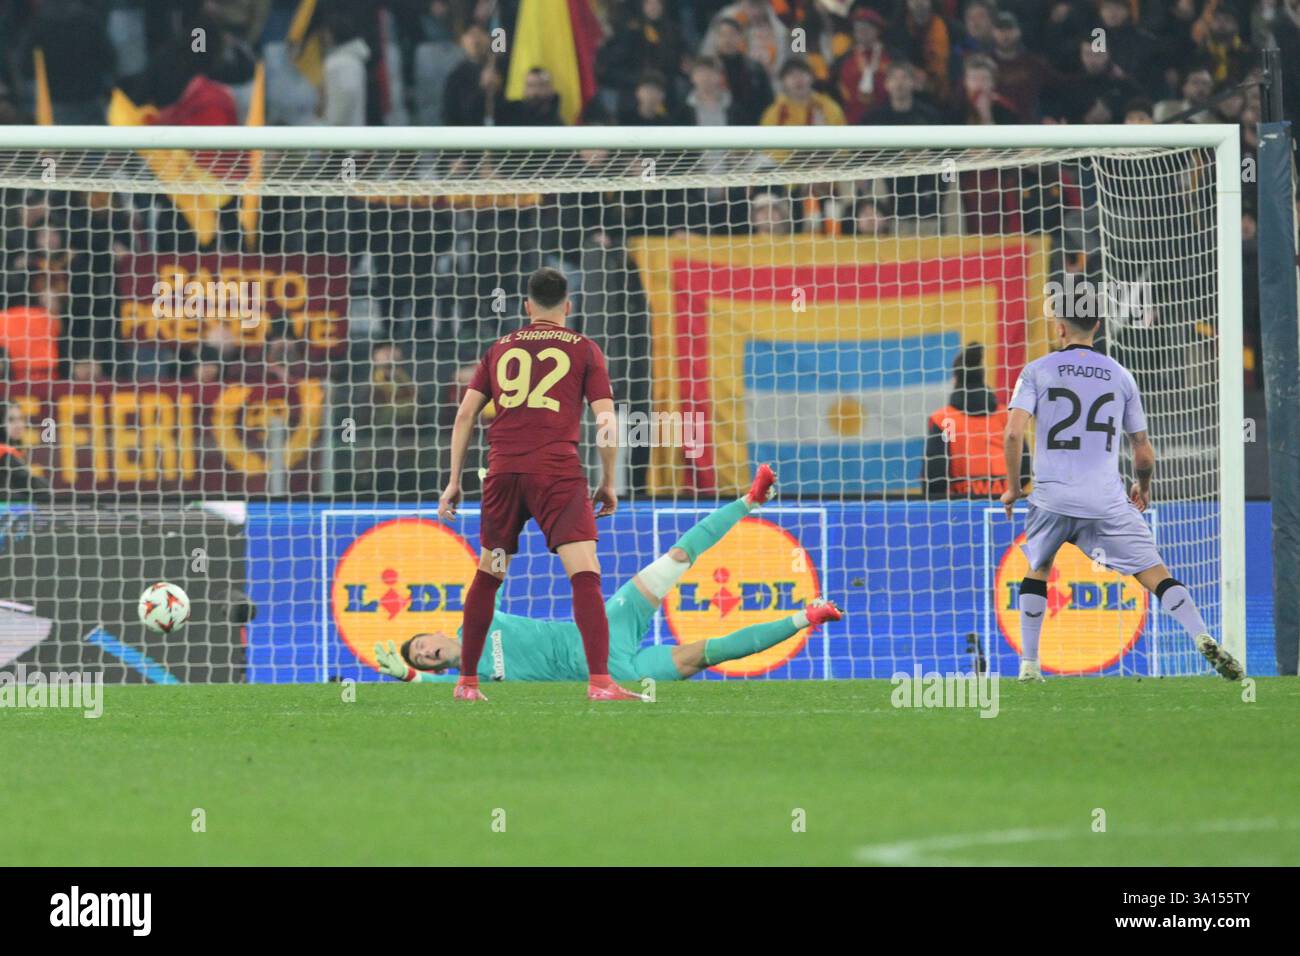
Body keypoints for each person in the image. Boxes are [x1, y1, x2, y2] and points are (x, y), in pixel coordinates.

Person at [380, 465, 842, 684]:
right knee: (706, 654)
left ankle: (750, 500)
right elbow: (425, 690)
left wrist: (504, 500)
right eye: (424, 658)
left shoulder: (478, 621)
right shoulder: (460, 681)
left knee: (677, 557)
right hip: (613, 672)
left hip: (607, 624)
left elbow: (495, 565)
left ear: (439, 631)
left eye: (421, 645)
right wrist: (406, 677)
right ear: (437, 666)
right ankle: (807, 617)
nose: (426, 652)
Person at [1000, 314, 1243, 684]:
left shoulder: (1037, 371)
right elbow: (1142, 450)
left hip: (1051, 497)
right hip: (1105, 499)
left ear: (1060, 327)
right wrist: (1142, 486)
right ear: (1097, 326)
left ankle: (1030, 666)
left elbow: (1013, 434)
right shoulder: (1120, 375)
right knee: (1154, 573)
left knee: (1039, 567)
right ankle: (1200, 634)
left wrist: (1014, 488)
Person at [438, 268, 638, 701]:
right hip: (557, 473)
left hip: (503, 473)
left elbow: (464, 415)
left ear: (526, 307)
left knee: (489, 572)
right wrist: (607, 481)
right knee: (584, 573)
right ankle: (600, 682)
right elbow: (605, 419)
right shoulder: (585, 349)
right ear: (568, 306)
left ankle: (467, 683)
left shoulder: (500, 348)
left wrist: (454, 481)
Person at [921, 343, 1022, 499]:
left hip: (960, 508)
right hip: (1004, 504)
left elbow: (934, 475)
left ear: (955, 379)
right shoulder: (1005, 416)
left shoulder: (945, 421)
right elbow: (1025, 463)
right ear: (982, 379)